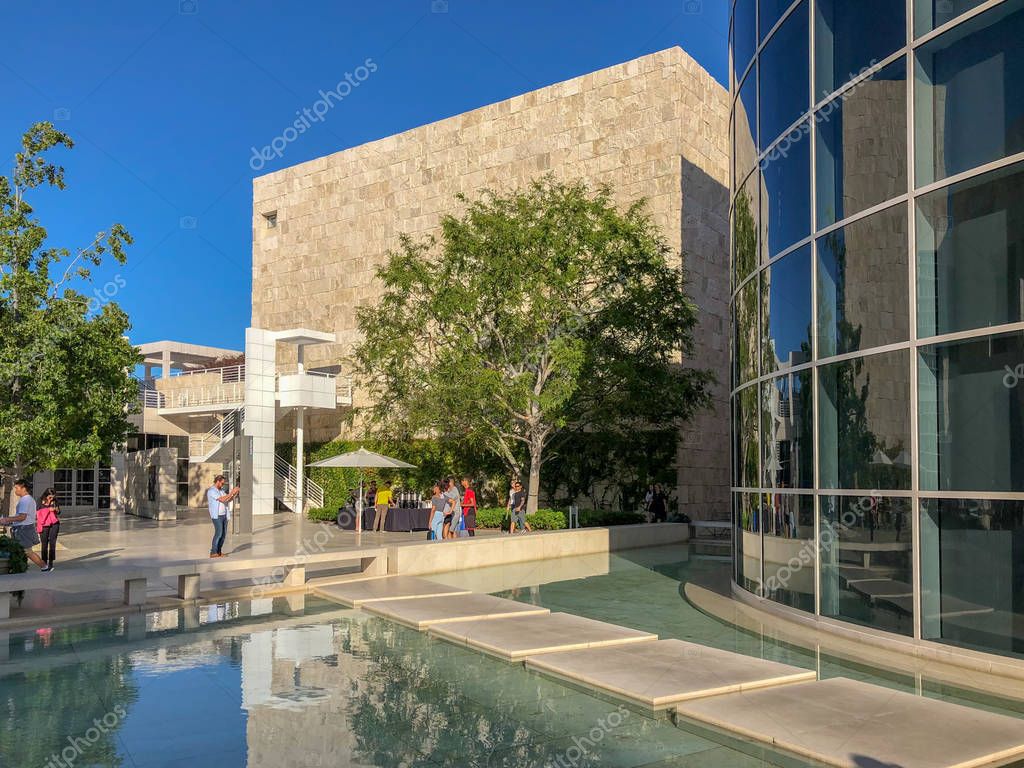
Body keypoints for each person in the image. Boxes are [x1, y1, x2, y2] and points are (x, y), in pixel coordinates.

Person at [1, 479, 46, 570]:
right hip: (25, 528)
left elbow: (22, 517)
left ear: (23, 488)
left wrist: (6, 519)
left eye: (17, 488)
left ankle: (44, 567)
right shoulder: (28, 499)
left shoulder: (25, 500)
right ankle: (22, 567)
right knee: (23, 550)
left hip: (23, 529)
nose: (15, 490)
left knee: (27, 551)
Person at [207, 474, 239, 558]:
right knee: (219, 533)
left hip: (224, 515)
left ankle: (219, 552)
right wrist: (231, 492)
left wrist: (234, 494)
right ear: (217, 481)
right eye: (222, 483)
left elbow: (228, 499)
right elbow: (222, 499)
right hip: (217, 516)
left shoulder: (221, 491)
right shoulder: (211, 491)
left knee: (223, 534)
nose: (223, 485)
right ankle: (213, 552)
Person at [36, 488, 60, 572]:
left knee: (52, 543)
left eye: (52, 497)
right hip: (44, 524)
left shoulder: (54, 500)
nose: (51, 499)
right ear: (46, 495)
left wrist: (56, 509)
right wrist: (48, 509)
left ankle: (51, 562)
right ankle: (44, 563)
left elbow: (59, 511)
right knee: (44, 544)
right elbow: (37, 513)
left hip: (54, 523)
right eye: (50, 497)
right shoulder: (40, 500)